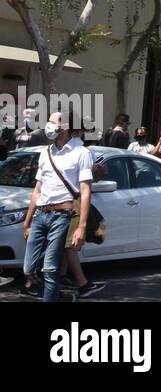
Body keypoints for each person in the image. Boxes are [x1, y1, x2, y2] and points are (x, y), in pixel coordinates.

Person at [20, 112, 92, 302]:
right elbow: (37, 190)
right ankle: (59, 297)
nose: (49, 125)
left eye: (52, 122)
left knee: (51, 268)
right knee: (29, 269)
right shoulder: (46, 152)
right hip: (40, 215)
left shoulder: (81, 152)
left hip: (62, 214)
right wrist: (27, 222)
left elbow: (85, 191)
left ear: (66, 126)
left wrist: (82, 227)